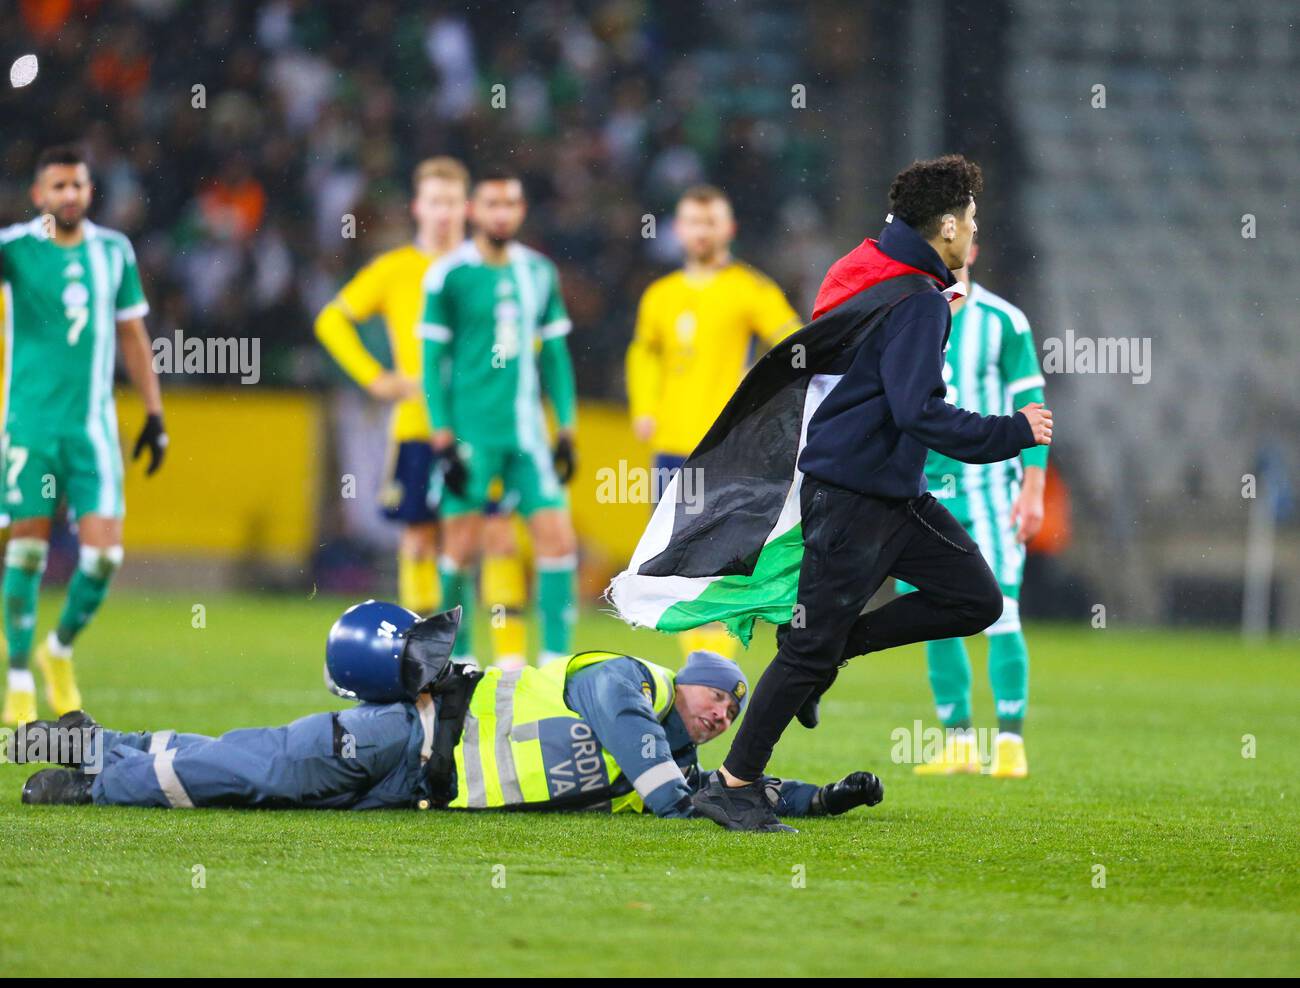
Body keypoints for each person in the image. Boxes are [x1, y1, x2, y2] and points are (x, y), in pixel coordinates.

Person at [690, 155, 1052, 831]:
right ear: (945, 226)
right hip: (856, 494)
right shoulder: (918, 301)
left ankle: (841, 645)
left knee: (974, 596)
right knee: (803, 652)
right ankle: (733, 784)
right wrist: (1013, 430)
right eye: (970, 219)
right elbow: (919, 411)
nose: (976, 232)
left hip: (893, 491)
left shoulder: (882, 276)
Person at [14, 601, 883, 825]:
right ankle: (88, 784)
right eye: (721, 697)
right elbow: (621, 721)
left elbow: (735, 787)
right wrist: (667, 790)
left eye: (734, 708)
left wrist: (818, 797)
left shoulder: (677, 759)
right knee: (260, 768)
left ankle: (95, 743)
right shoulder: (629, 678)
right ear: (688, 676)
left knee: (254, 775)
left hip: (414, 789)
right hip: (416, 727)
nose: (725, 715)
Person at [313, 158, 529, 664]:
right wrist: (376, 378)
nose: (443, 213)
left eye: (452, 203)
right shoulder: (395, 270)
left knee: (495, 533)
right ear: (418, 207)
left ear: (467, 208)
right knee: (419, 538)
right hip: (416, 426)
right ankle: (431, 661)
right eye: (434, 202)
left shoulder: (489, 267)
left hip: (482, 427)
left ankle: (511, 665)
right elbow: (332, 321)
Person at [0, 145, 167, 727]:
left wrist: (154, 414)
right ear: (39, 195)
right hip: (29, 424)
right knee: (26, 548)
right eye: (58, 186)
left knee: (104, 554)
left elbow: (132, 337)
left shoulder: (113, 252)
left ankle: (58, 650)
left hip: (92, 428)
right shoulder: (16, 249)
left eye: (78, 185)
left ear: (90, 191)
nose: (69, 195)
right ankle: (18, 675)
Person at [625, 184, 801, 662]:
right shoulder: (660, 295)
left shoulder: (749, 288)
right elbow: (643, 352)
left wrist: (765, 381)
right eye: (692, 222)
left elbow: (793, 343)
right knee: (675, 555)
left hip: (729, 446)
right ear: (679, 230)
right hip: (672, 443)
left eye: (711, 222)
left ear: (729, 229)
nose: (701, 231)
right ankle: (696, 659)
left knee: (725, 556)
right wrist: (643, 406)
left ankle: (716, 659)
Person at [419, 169, 580, 666]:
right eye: (492, 204)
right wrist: (442, 438)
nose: (502, 213)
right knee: (461, 546)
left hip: (528, 437)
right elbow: (431, 363)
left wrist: (567, 428)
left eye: (511, 203)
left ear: (521, 211)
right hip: (471, 434)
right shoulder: (448, 275)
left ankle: (555, 664)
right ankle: (458, 660)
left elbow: (554, 354)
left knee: (557, 539)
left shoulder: (539, 272)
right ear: (473, 211)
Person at [902, 241, 1048, 779]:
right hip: (919, 490)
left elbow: (1033, 408)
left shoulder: (1004, 322)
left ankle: (1010, 742)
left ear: (974, 244)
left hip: (990, 489)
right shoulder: (908, 313)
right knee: (931, 616)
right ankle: (959, 741)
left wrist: (1033, 488)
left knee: (1001, 609)